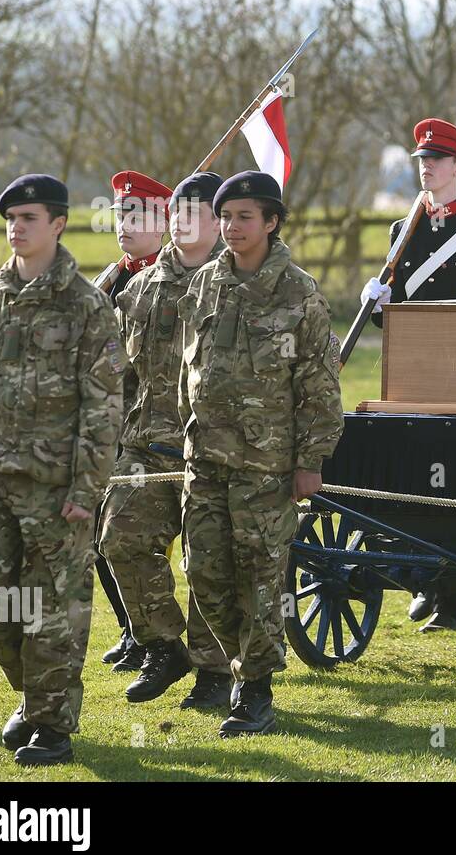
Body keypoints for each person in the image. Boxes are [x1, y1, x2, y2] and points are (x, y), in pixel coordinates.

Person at [0, 174, 124, 764]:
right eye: (11, 219)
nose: (17, 228)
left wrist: (87, 486)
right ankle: (32, 697)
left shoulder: (86, 306)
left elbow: (103, 405)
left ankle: (53, 727)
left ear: (58, 224)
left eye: (29, 218)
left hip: (57, 492)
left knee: (53, 614)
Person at [178, 171, 344, 736]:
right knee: (204, 572)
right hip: (205, 460)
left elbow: (320, 385)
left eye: (244, 216)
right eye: (224, 217)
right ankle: (237, 663)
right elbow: (190, 368)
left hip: (267, 468)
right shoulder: (204, 284)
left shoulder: (300, 294)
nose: (230, 227)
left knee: (262, 577)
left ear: (272, 222)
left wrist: (310, 461)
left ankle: (255, 689)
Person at [360, 118, 456, 632]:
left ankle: (448, 594)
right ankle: (419, 574)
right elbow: (392, 314)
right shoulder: (403, 230)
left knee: (453, 480)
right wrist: (379, 302)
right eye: (421, 160)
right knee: (410, 472)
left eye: (436, 160)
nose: (427, 168)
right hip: (411, 371)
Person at [101, 171, 234, 708]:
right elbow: (115, 370)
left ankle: (215, 672)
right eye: (175, 212)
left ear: (219, 223)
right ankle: (161, 645)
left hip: (220, 452)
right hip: (148, 446)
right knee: (119, 538)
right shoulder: (139, 288)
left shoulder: (240, 286)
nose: (180, 223)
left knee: (208, 563)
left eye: (193, 213)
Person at [96, 170, 173, 673]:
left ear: (164, 223)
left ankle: (156, 640)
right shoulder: (111, 277)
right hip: (108, 427)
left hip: (151, 431)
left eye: (138, 215)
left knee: (122, 532)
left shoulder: (168, 282)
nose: (125, 223)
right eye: (121, 213)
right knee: (96, 538)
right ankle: (133, 629)